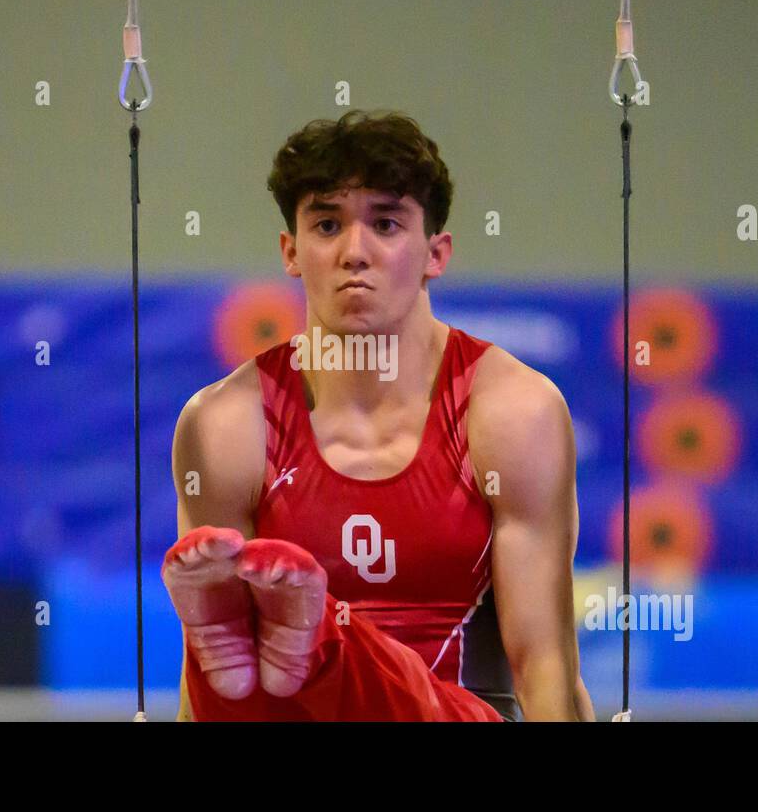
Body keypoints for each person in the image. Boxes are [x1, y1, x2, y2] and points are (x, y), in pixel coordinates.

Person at [164, 109, 595, 721]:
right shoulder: (226, 425)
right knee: (242, 662)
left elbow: (544, 661)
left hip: (452, 712)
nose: (353, 253)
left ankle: (319, 636)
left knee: (351, 656)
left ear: (435, 254)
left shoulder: (512, 413)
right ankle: (310, 639)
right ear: (291, 251)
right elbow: (210, 669)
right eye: (326, 224)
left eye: (386, 224)